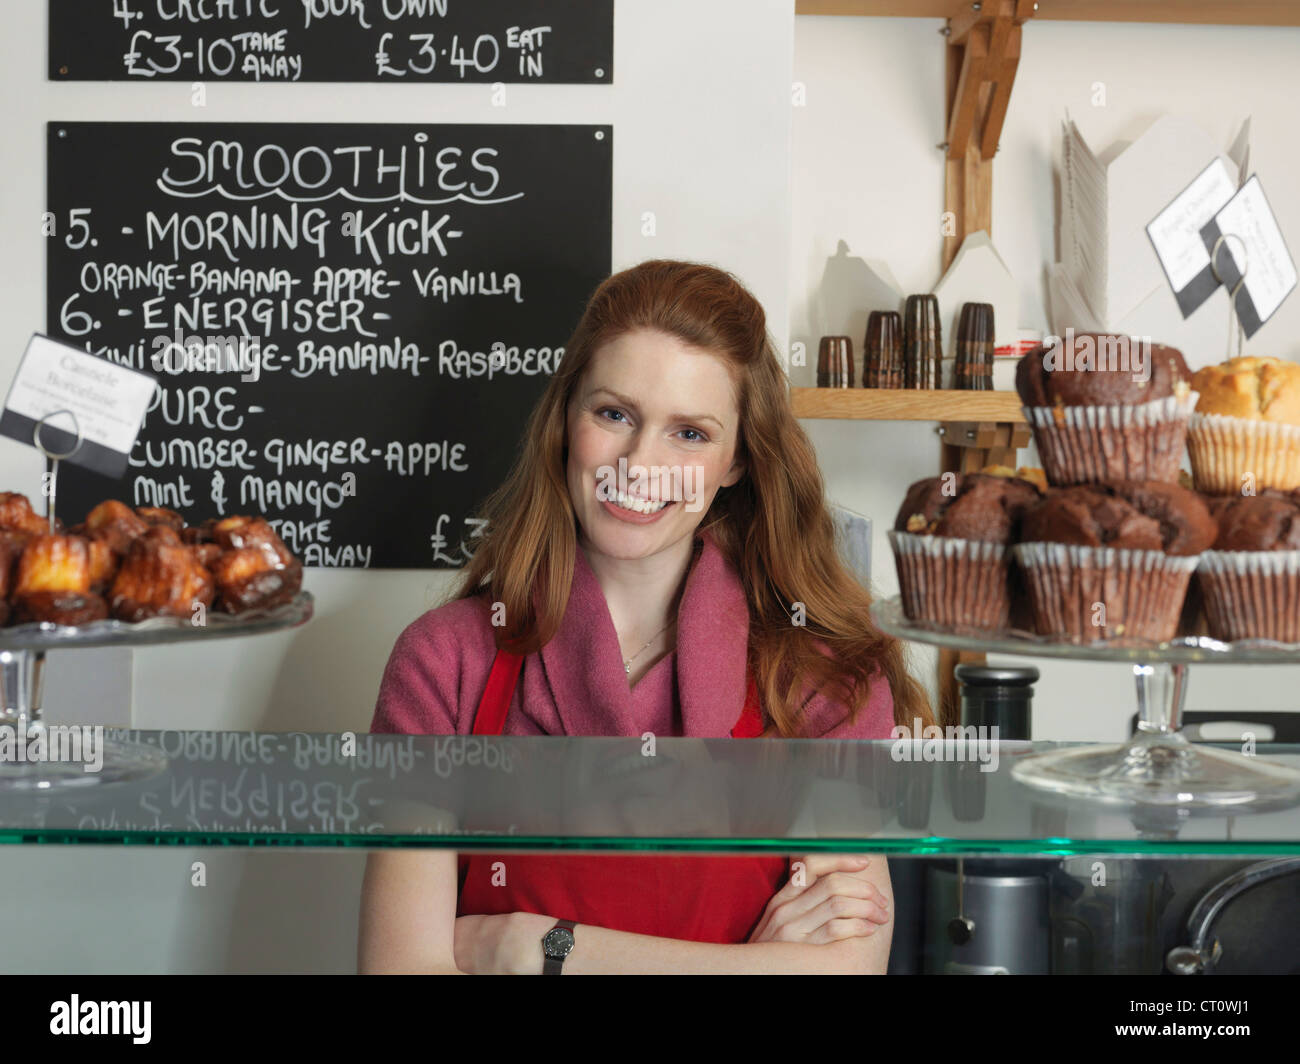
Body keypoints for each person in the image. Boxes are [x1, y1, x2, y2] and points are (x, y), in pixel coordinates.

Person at [358, 259, 934, 974]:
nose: (641, 463)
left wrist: (532, 949)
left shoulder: (818, 671)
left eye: (689, 433)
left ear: (737, 461)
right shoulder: (443, 661)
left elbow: (848, 967)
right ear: (567, 421)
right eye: (615, 414)